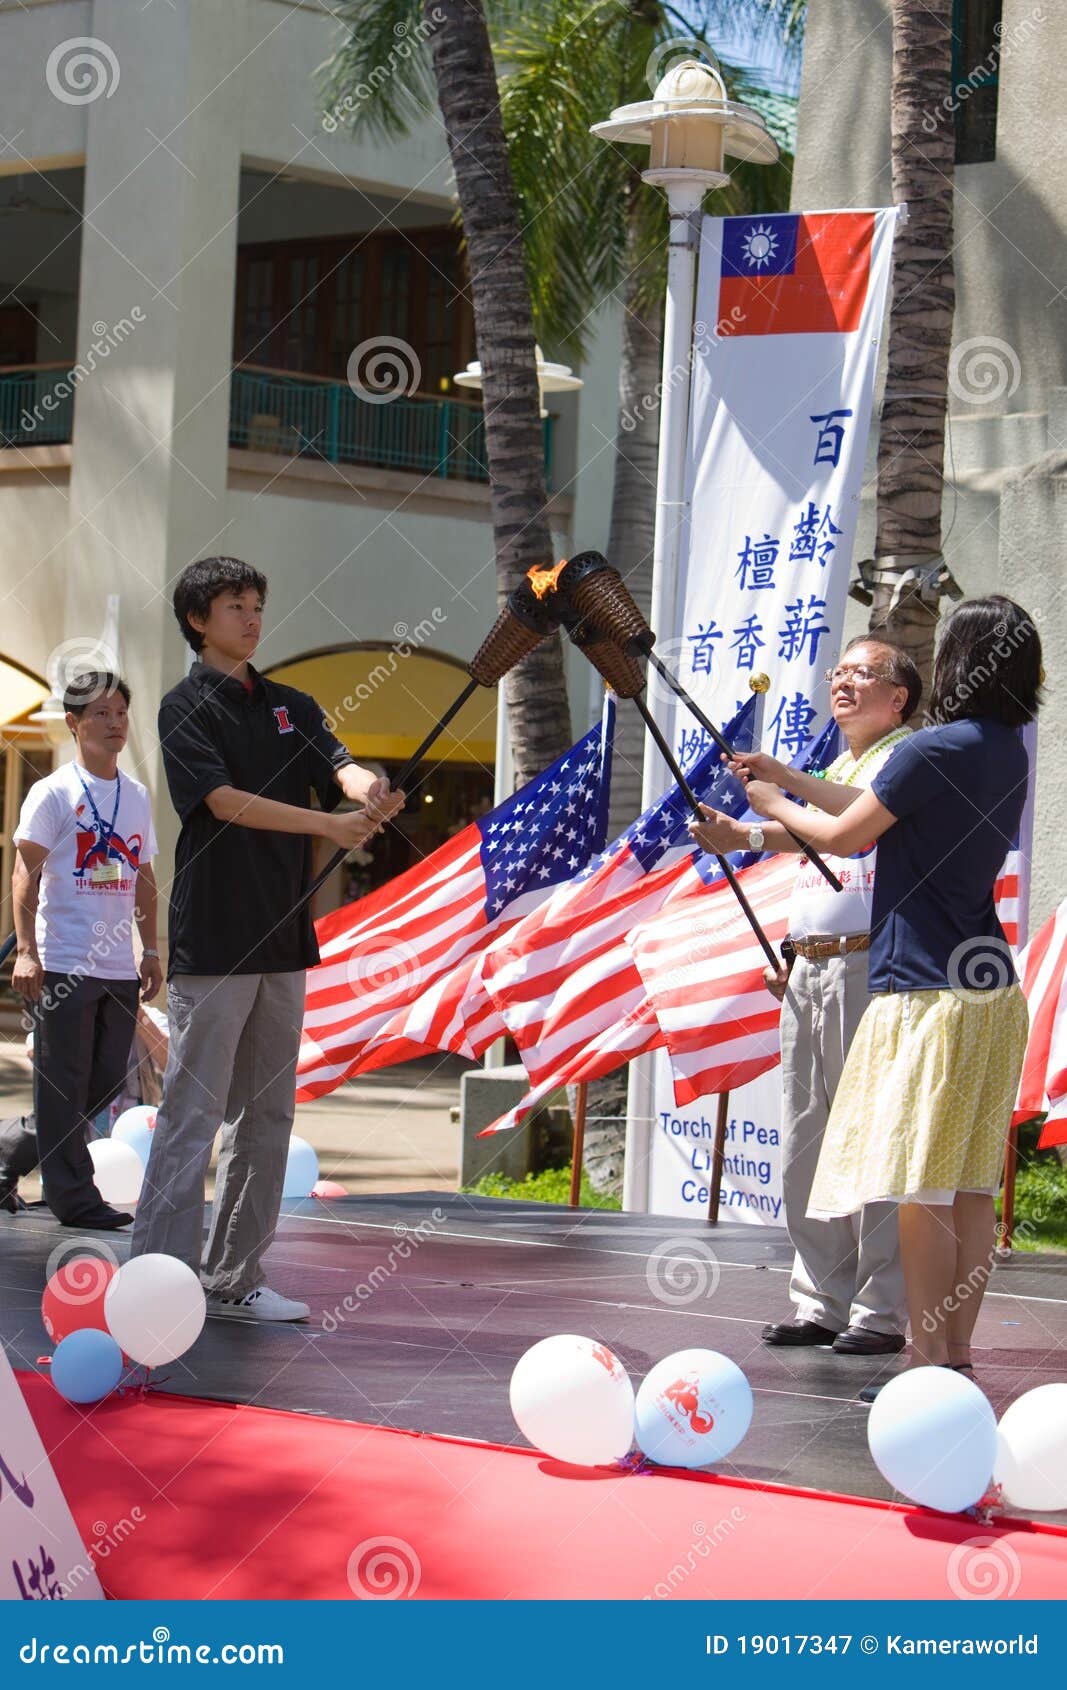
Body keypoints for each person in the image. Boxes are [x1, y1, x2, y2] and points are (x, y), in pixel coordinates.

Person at [737, 597, 1039, 1394]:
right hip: (989, 988)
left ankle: (925, 1357)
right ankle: (955, 1355)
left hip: (923, 993)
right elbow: (870, 810)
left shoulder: (930, 748)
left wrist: (766, 806)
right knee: (970, 1186)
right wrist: (791, 788)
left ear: (954, 662)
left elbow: (842, 837)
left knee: (915, 1186)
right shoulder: (1005, 748)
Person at [131, 556, 406, 1322]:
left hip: (284, 938)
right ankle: (157, 1282)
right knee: (193, 1111)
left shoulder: (293, 703)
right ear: (198, 620)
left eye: (257, 605)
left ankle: (234, 1277)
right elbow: (219, 802)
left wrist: (367, 790)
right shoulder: (184, 707)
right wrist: (328, 825)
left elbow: (339, 766)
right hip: (215, 941)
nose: (252, 618)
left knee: (267, 1116)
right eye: (234, 607)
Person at [690, 637, 921, 1355]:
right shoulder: (843, 761)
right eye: (838, 672)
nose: (843, 684)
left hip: (867, 969)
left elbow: (850, 826)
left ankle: (878, 1313)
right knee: (806, 1142)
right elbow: (814, 837)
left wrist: (778, 787)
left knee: (871, 1137)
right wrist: (746, 835)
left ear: (898, 697)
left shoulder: (903, 757)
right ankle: (821, 1300)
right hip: (807, 970)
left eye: (862, 674)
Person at [8, 672, 162, 1228]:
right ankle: (75, 1199)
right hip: (65, 960)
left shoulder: (137, 795)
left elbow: (143, 877)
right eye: (101, 713)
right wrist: (27, 951)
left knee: (95, 1085)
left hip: (119, 963)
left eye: (121, 712)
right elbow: (25, 874)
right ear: (74, 724)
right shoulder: (53, 792)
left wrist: (151, 950)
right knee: (62, 1081)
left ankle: (9, 1155)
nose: (114, 723)